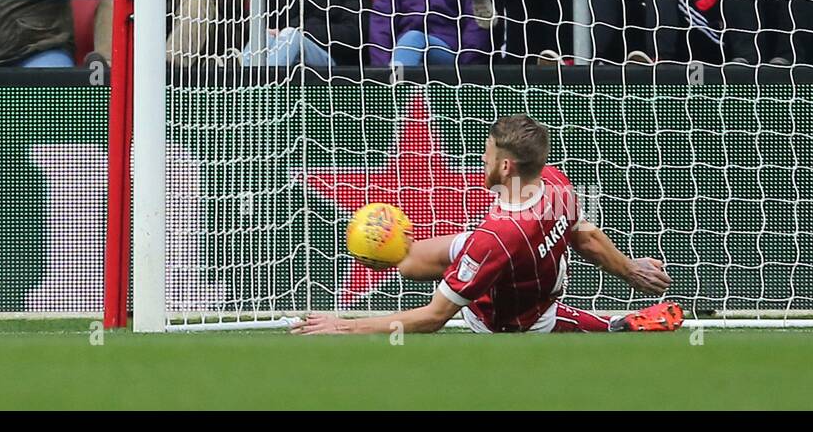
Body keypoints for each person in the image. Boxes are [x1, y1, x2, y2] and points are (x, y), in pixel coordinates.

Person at [293, 115, 683, 335]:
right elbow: (587, 238)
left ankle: (617, 324)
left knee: (536, 316)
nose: (482, 160)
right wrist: (630, 268)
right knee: (409, 260)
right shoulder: (554, 181)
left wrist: (345, 326)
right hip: (517, 258)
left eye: (486, 155)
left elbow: (433, 317)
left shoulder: (496, 238)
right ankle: (395, 253)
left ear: (505, 166)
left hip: (507, 315)